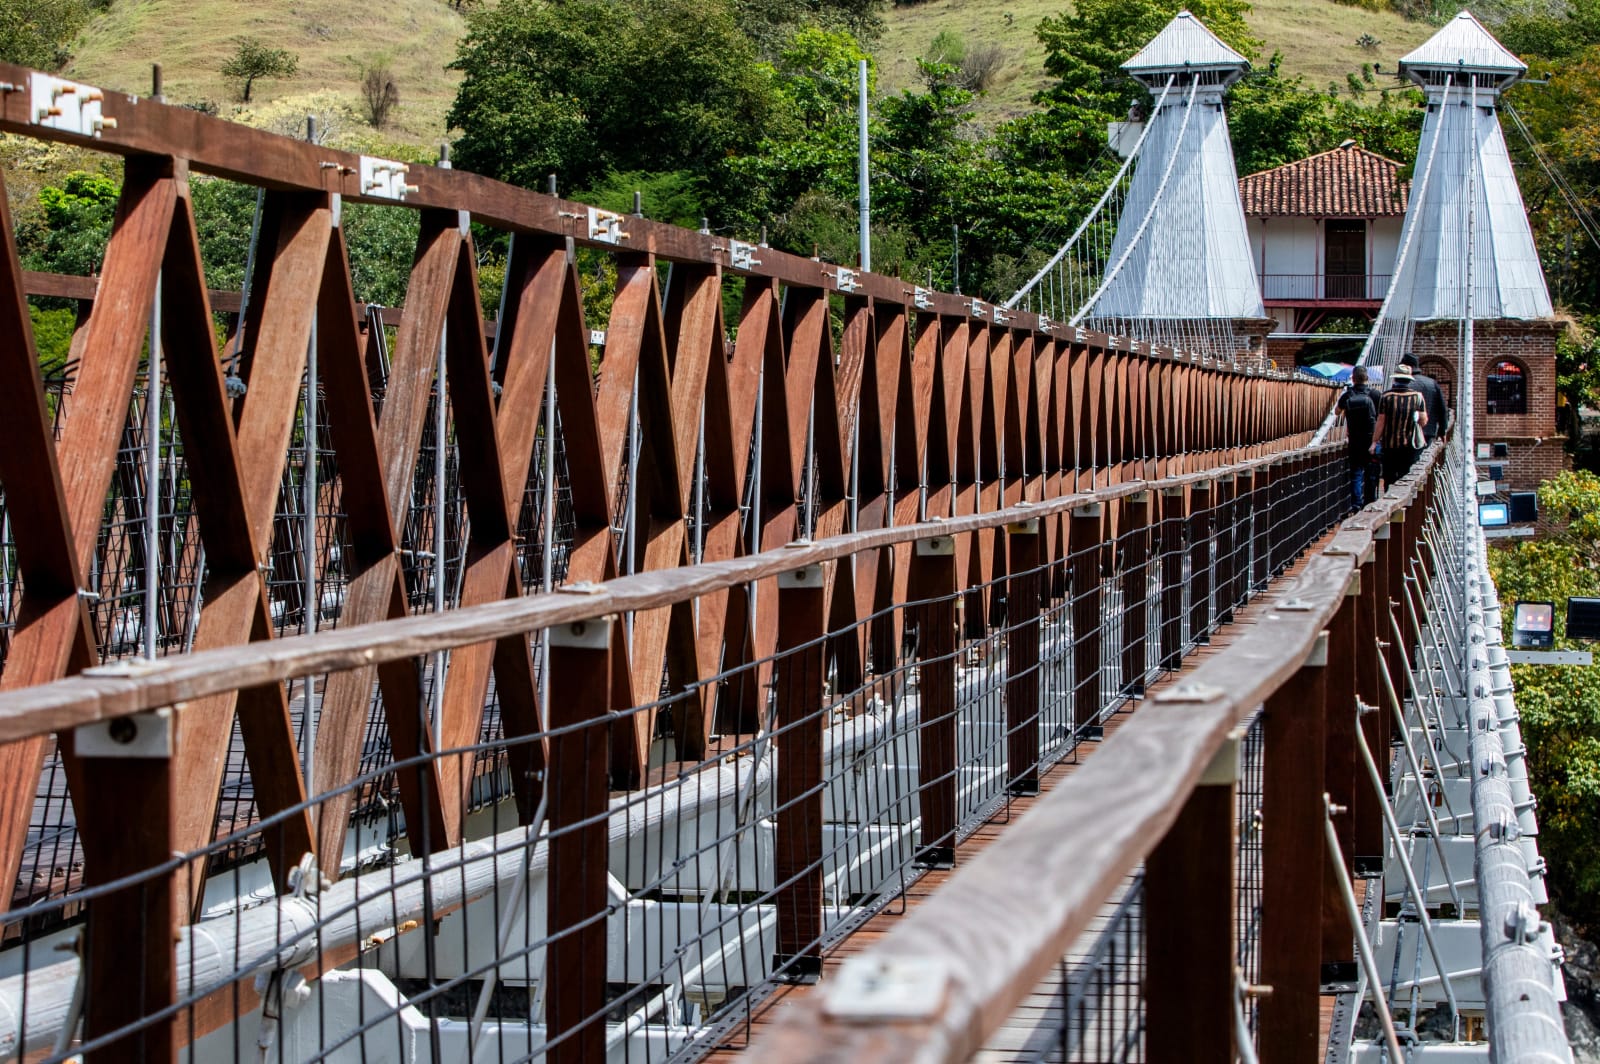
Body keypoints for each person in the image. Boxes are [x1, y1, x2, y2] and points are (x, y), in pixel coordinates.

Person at [1373, 363, 1428, 488]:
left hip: (1389, 445)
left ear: (1395, 378)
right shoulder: (1417, 397)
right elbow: (1423, 421)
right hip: (1409, 445)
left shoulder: (1386, 396)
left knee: (1389, 478)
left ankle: (1388, 500)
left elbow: (1381, 422)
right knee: (1406, 476)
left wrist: (1374, 442)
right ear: (1409, 379)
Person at [1335, 366, 1378, 511]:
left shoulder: (1348, 395)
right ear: (1367, 378)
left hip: (1354, 440)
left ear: (1353, 379)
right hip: (1372, 440)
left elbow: (1336, 412)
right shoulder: (1375, 394)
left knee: (1356, 473)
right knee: (1371, 473)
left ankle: (1356, 505)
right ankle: (1370, 502)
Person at [1399, 352, 1449, 441]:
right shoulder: (1432, 383)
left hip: (1404, 432)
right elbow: (1442, 408)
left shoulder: (1400, 384)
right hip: (1428, 431)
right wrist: (1442, 430)